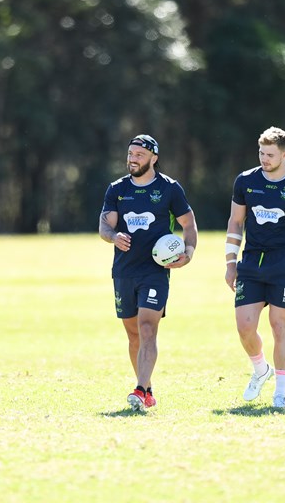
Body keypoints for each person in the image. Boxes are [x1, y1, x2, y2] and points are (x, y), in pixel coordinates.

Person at [99, 134, 198, 411]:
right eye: (130, 153)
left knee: (147, 328)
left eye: (139, 155)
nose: (132, 158)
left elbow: (189, 225)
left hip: (155, 272)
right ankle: (148, 387)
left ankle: (140, 390)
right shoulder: (117, 189)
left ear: (154, 158)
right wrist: (113, 237)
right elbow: (105, 227)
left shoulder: (169, 189)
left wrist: (188, 253)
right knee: (133, 335)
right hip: (123, 271)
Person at [224, 127, 285, 410]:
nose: (264, 159)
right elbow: (235, 222)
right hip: (251, 263)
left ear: (284, 155)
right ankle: (262, 369)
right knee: (245, 326)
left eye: (270, 155)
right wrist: (230, 263)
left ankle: (281, 393)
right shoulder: (245, 181)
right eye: (261, 153)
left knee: (279, 327)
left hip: (283, 265)